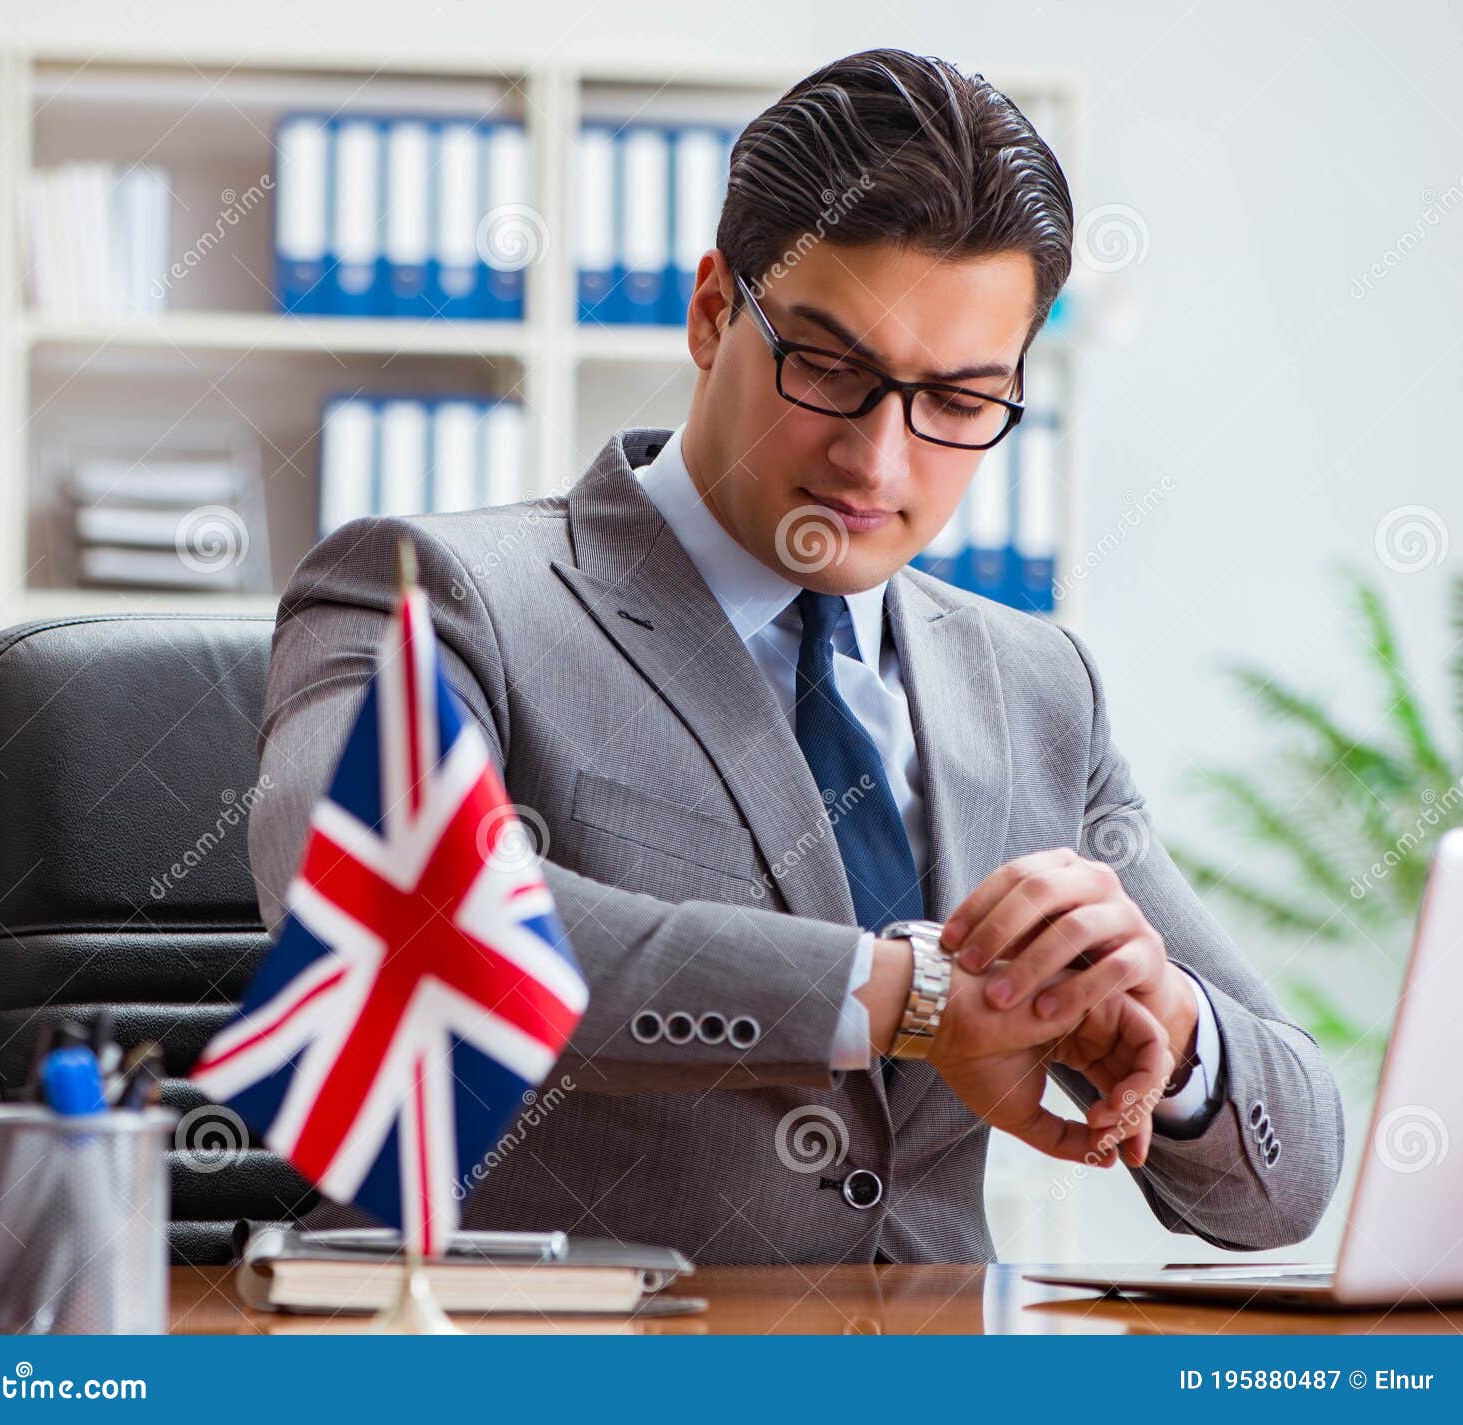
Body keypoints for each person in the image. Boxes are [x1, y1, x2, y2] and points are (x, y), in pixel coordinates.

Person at [250, 48, 1342, 1264]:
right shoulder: (433, 595)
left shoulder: (1034, 688)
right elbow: (390, 915)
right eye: (827, 368)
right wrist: (913, 998)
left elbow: (1286, 1181)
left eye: (961, 401)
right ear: (714, 310)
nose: (878, 464)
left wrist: (1170, 1029)